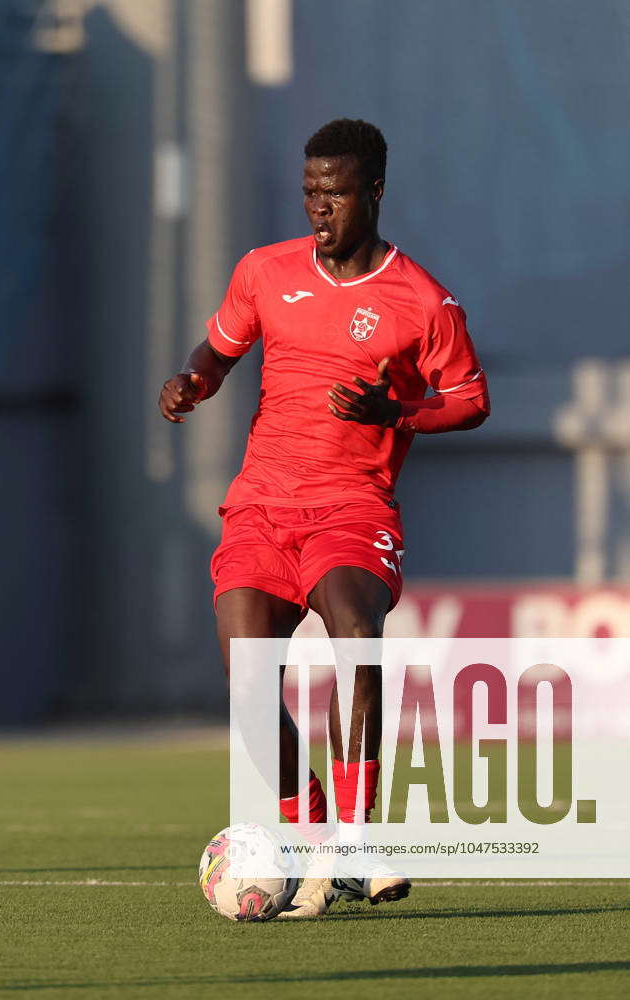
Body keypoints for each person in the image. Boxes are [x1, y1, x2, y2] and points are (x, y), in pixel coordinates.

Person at [159, 118, 490, 918]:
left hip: (352, 505)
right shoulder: (264, 273)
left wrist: (397, 409)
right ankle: (316, 842)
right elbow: (218, 349)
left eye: (335, 193)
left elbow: (470, 400)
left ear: (373, 192)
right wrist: (192, 381)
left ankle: (352, 839)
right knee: (248, 685)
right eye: (310, 191)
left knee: (354, 632)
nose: (319, 207)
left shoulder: (422, 300)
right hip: (262, 504)